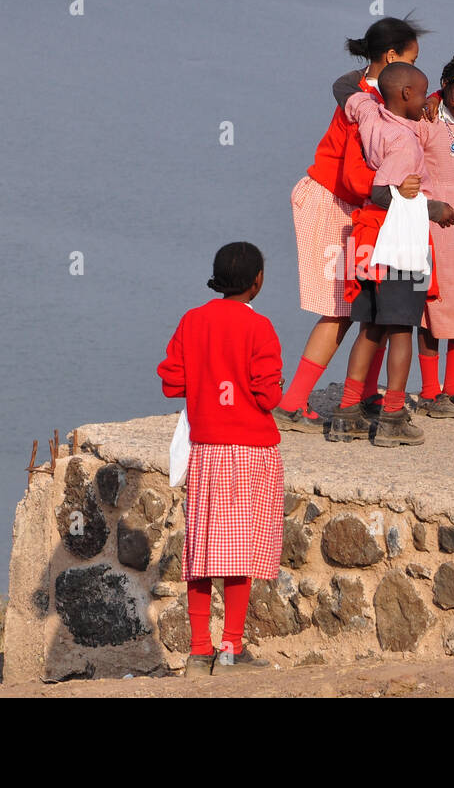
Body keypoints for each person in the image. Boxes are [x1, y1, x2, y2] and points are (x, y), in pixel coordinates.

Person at [275, 16, 427, 435]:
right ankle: (291, 404)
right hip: (332, 200)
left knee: (372, 304)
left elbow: (347, 81)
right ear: (392, 59)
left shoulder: (371, 97)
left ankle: (361, 394)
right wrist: (397, 190)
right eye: (412, 61)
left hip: (360, 207)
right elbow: (350, 174)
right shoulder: (365, 107)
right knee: (340, 307)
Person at [335, 52, 454, 419]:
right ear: (443, 88)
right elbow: (393, 170)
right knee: (431, 307)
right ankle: (430, 391)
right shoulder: (422, 121)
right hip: (423, 217)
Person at [157, 242, 284, 677]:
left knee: (203, 552)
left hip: (206, 450)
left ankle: (197, 652)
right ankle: (230, 651)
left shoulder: (193, 320)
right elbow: (268, 394)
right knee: (239, 553)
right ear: (257, 281)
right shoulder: (260, 327)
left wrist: (207, 380)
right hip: (250, 451)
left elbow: (172, 382)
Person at [326, 62, 454, 446]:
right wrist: (436, 209)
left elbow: (341, 84)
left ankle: (347, 412)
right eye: (422, 93)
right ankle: (393, 416)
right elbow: (384, 193)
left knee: (371, 328)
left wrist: (373, 63)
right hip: (400, 243)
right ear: (404, 95)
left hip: (369, 241)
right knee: (401, 330)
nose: (427, 100)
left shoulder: (369, 112)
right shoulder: (404, 143)